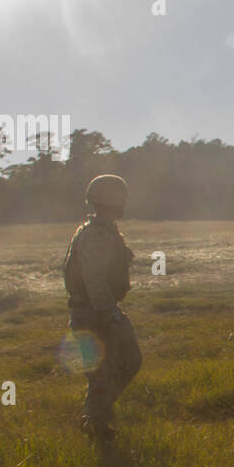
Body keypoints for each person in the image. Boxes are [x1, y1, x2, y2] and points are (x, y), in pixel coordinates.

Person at [64, 174, 142, 442]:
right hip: (92, 314)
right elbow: (94, 279)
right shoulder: (97, 234)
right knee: (101, 375)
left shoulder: (104, 229)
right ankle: (97, 425)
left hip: (98, 311)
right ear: (112, 200)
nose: (125, 202)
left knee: (128, 362)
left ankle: (96, 415)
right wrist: (110, 315)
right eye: (122, 197)